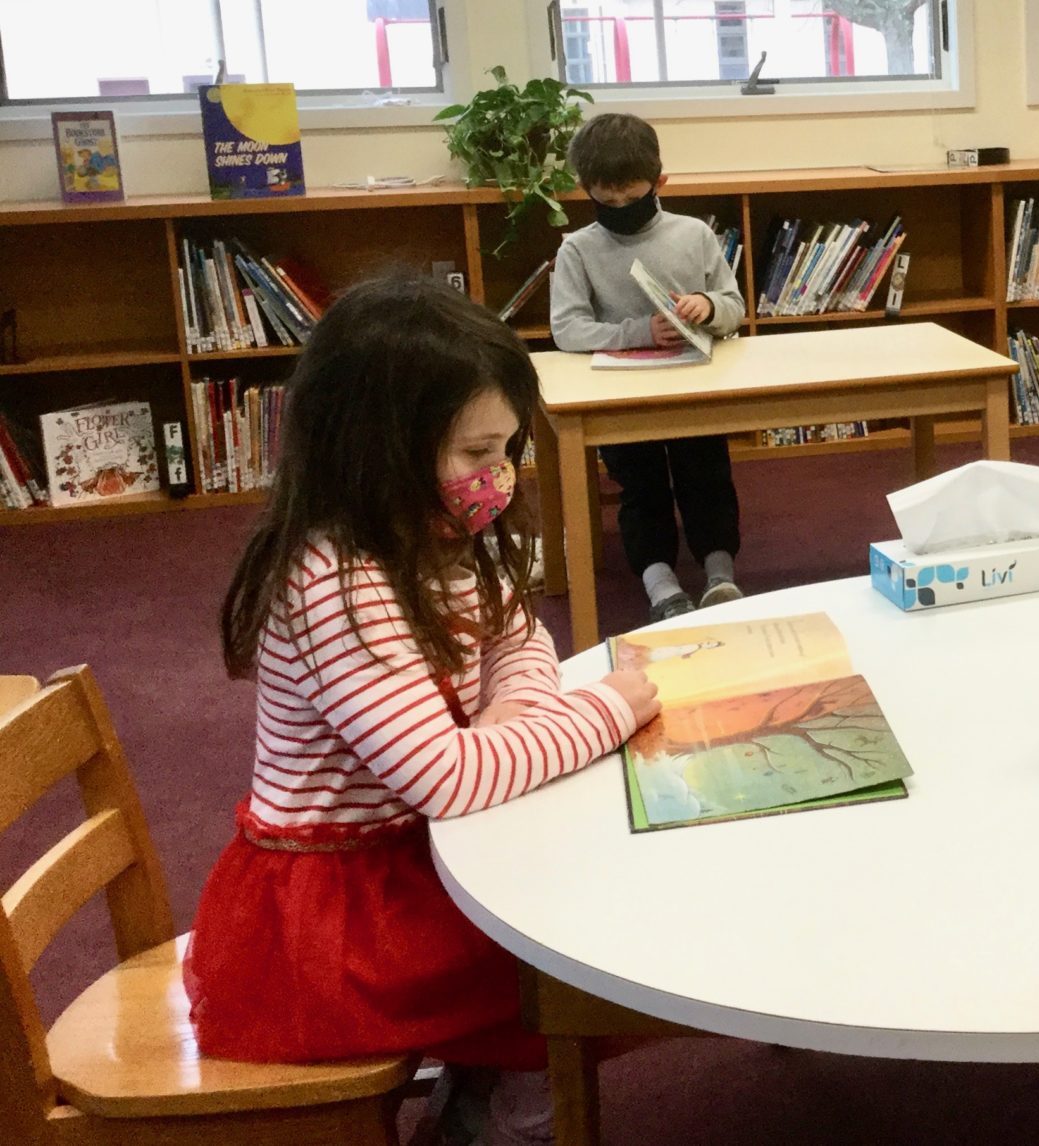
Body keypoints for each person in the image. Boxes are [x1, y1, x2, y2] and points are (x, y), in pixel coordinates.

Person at [186, 276, 662, 1146]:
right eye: (476, 452)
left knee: (569, 893)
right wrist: (607, 712)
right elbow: (445, 777)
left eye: (508, 447)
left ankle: (480, 1102)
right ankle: (498, 1119)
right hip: (332, 921)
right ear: (378, 451)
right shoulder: (338, 577)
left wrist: (515, 715)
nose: (500, 479)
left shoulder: (433, 529)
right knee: (586, 945)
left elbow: (518, 636)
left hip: (406, 862)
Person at [550, 112, 747, 622]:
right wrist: (639, 332)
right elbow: (567, 329)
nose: (618, 208)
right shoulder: (578, 249)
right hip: (621, 394)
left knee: (706, 477)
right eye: (605, 200)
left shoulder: (693, 234)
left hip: (694, 383)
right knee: (641, 489)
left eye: (631, 197)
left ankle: (720, 575)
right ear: (585, 189)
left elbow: (734, 304)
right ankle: (661, 585)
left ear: (660, 182)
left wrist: (707, 305)